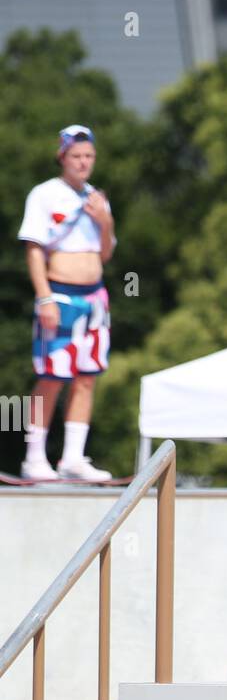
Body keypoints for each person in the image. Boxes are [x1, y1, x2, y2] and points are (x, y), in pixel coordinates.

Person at [17, 125, 115, 482]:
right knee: (52, 376)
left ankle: (73, 457)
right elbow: (33, 248)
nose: (83, 162)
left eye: (88, 156)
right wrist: (44, 296)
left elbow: (105, 253)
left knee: (87, 376)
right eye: (76, 156)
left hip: (95, 296)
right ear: (62, 157)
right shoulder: (45, 194)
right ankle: (34, 456)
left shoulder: (96, 199)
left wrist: (104, 221)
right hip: (59, 292)